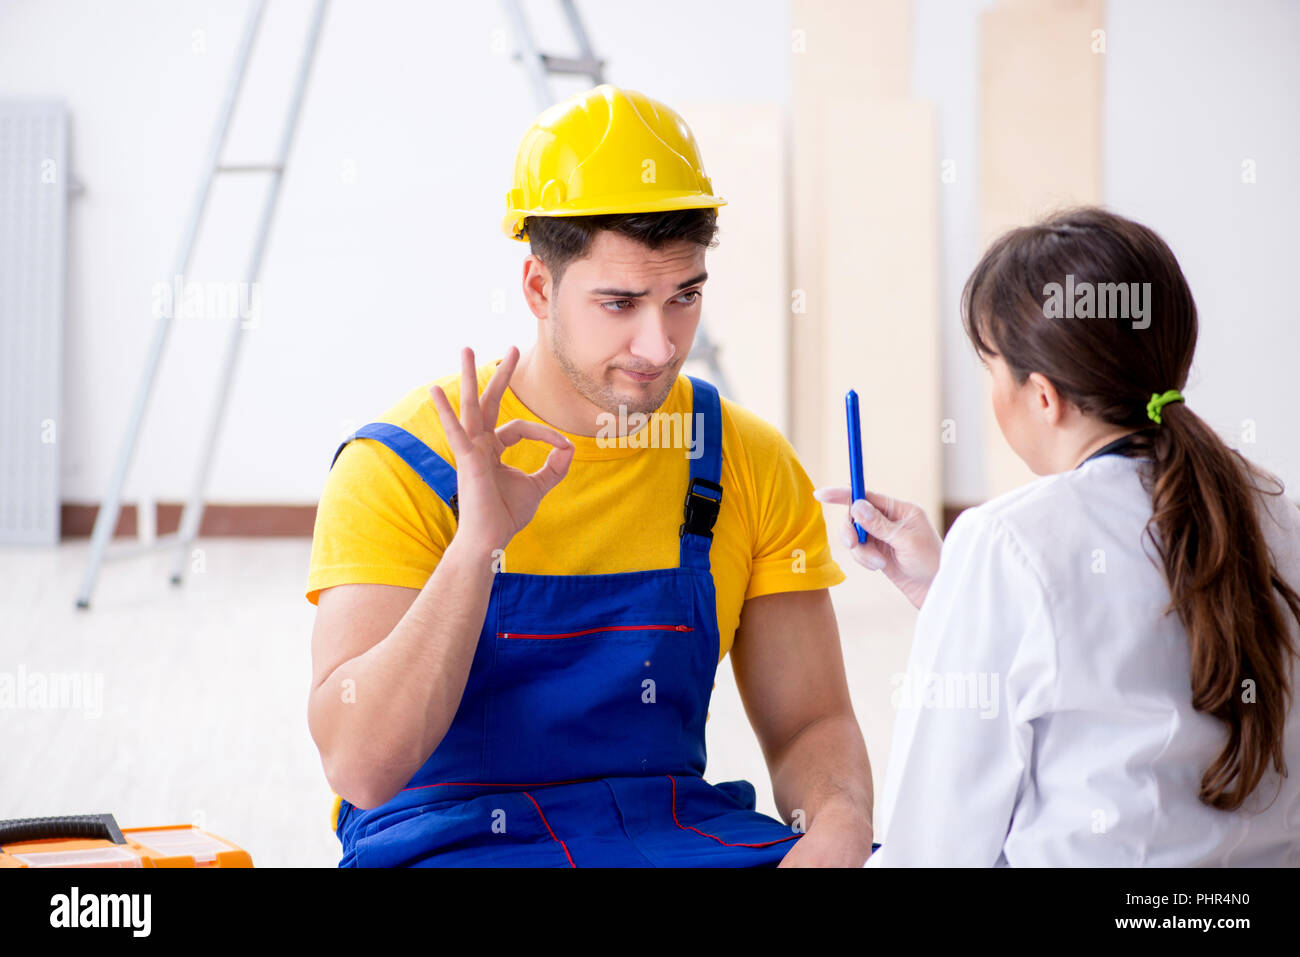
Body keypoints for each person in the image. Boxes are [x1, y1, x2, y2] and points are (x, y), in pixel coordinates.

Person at [305, 85, 875, 867]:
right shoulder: (400, 467)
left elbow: (812, 722)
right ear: (540, 286)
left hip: (669, 834)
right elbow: (361, 768)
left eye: (685, 296)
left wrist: (836, 832)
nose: (660, 344)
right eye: (620, 302)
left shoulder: (743, 459)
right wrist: (475, 548)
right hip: (454, 842)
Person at [817, 206, 1300, 866]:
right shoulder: (1277, 513)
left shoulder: (1006, 543)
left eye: (991, 370)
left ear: (1042, 396)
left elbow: (933, 848)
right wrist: (951, 592)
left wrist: (974, 587)